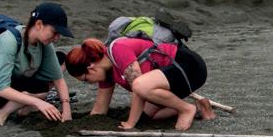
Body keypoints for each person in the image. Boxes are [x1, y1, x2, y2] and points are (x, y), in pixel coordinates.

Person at [64, 36, 214, 131]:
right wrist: (77, 125)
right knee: (149, 116)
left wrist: (130, 123)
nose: (89, 83)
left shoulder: (116, 50)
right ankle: (199, 108)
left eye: (85, 80)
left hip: (188, 66)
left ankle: (185, 109)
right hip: (173, 81)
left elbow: (138, 86)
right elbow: (100, 108)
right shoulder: (106, 73)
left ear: (91, 67)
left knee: (139, 86)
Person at [0, 2, 74, 128]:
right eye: (54, 32)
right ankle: (3, 112)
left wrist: (66, 108)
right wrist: (39, 102)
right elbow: (1, 88)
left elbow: (58, 79)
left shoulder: (44, 43)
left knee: (61, 59)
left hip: (18, 80)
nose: (57, 38)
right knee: (39, 90)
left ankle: (26, 102)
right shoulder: (10, 41)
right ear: (39, 24)